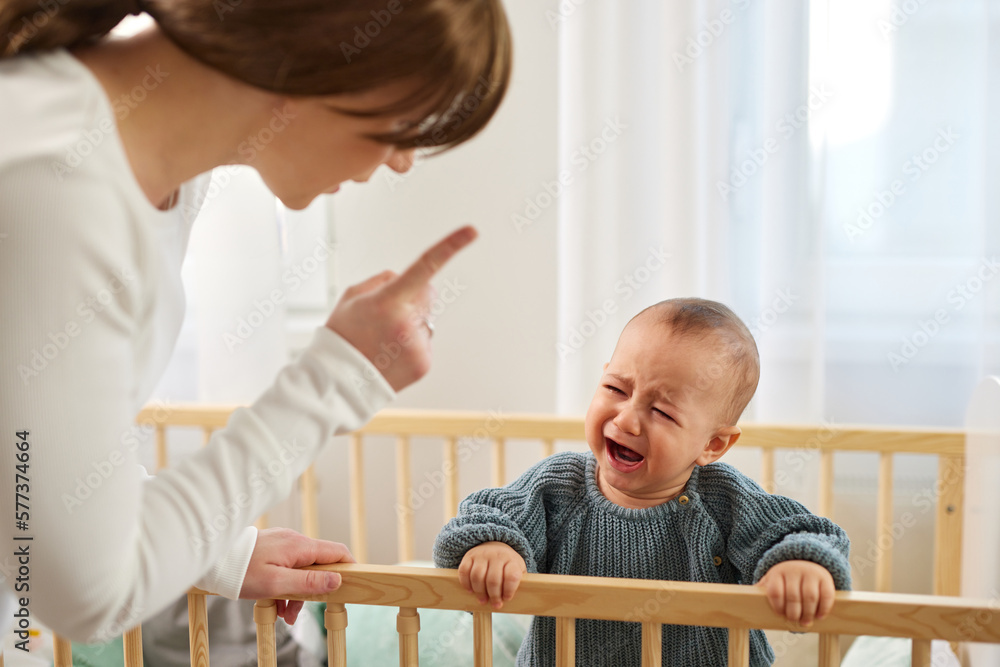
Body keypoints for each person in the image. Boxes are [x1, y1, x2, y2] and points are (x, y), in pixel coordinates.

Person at [0, 0, 511, 644]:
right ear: (316, 56)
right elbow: (87, 596)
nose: (403, 160)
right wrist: (336, 378)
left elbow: (35, 449)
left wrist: (223, 551)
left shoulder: (158, 178)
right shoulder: (55, 183)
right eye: (407, 123)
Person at [433, 298, 852, 666]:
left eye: (664, 413)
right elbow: (489, 515)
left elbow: (801, 532)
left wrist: (799, 562)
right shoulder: (558, 486)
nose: (627, 418)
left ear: (713, 443)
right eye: (616, 388)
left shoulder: (724, 499)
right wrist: (492, 545)